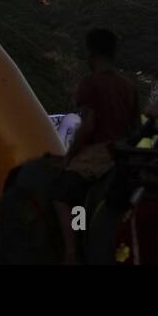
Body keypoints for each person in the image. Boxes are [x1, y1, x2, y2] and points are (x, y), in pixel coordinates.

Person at [54, 28, 139, 262]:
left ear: (91, 52)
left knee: (62, 193)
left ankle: (71, 251)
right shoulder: (129, 85)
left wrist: (70, 156)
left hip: (98, 152)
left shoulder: (90, 83)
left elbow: (88, 125)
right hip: (123, 151)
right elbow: (136, 127)